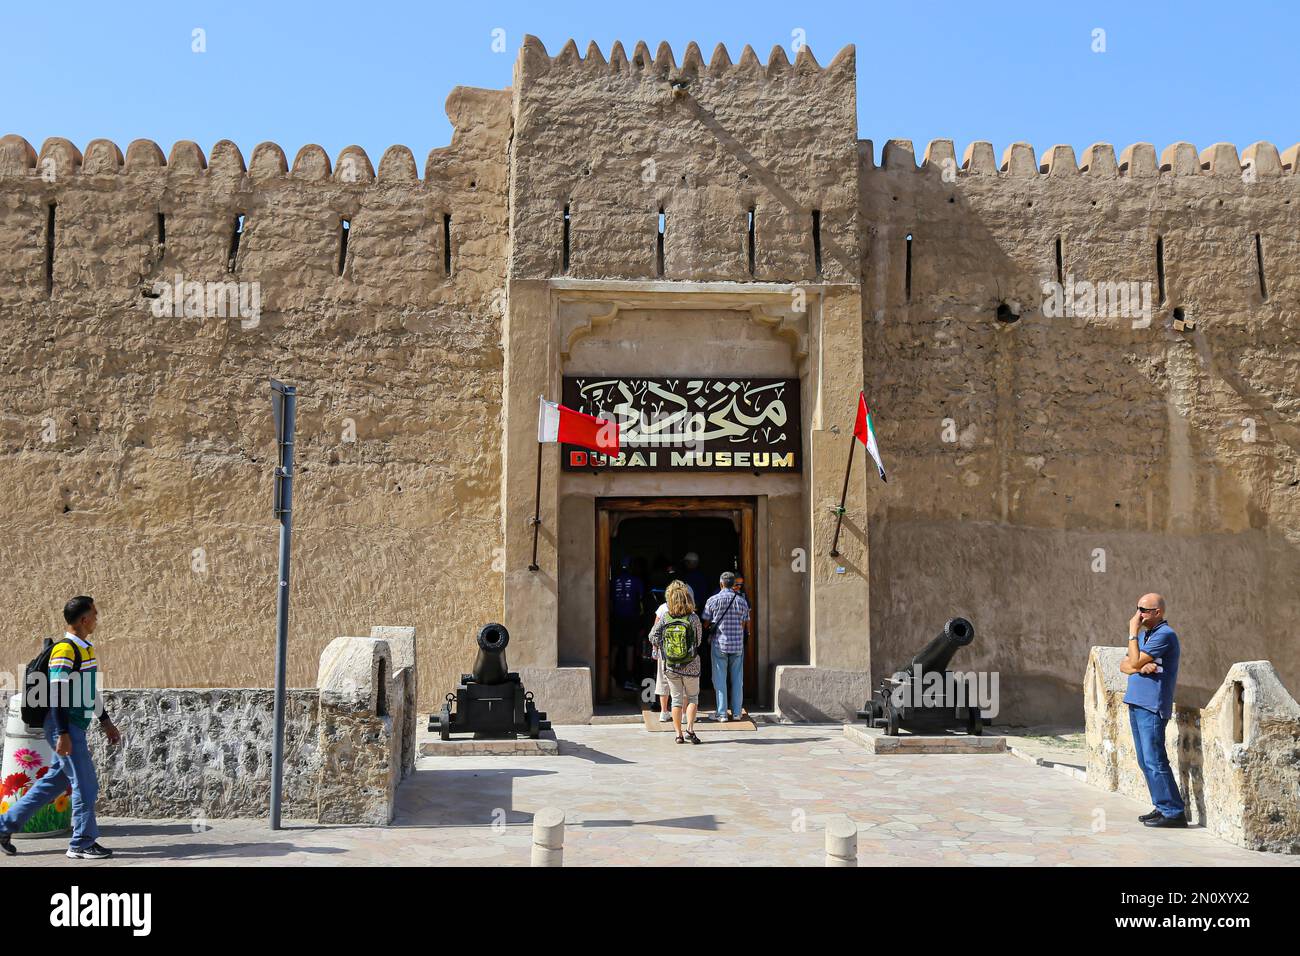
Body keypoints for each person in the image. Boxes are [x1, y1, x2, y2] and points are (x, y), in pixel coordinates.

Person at [1, 596, 121, 859]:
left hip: (74, 724)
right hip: (64, 726)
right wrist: (63, 733)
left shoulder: (85, 648)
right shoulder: (65, 650)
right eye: (95, 614)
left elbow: (88, 689)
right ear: (84, 619)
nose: (97, 619)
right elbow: (56, 693)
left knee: (54, 782)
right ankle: (82, 843)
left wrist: (105, 721)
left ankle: (4, 826)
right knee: (86, 785)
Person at [1119, 593, 1187, 828]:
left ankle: (1174, 812)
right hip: (1137, 702)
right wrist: (1138, 665)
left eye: (1143, 610)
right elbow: (1123, 664)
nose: (1138, 615)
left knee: (1155, 759)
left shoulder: (1165, 635)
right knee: (1144, 759)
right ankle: (1162, 806)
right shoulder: (1146, 635)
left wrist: (1131, 633)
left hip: (1152, 705)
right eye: (1137, 609)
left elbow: (1133, 662)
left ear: (1157, 612)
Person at [648, 581, 703, 744]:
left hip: (671, 665)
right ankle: (690, 730)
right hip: (691, 665)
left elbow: (652, 636)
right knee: (692, 698)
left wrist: (666, 646)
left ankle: (678, 734)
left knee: (676, 700)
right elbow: (698, 641)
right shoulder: (693, 618)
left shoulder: (665, 617)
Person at [701, 572, 750, 723]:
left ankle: (722, 713)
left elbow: (705, 622)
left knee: (720, 679)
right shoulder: (742, 601)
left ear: (721, 583)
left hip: (719, 644)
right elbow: (744, 623)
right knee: (737, 679)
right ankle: (736, 713)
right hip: (737, 644)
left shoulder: (713, 600)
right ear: (733, 584)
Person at [610, 557, 644, 692]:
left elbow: (610, 599)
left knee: (615, 646)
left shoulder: (613, 581)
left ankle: (610, 675)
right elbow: (641, 599)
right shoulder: (636, 581)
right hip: (631, 618)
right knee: (630, 647)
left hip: (617, 617)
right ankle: (629, 679)